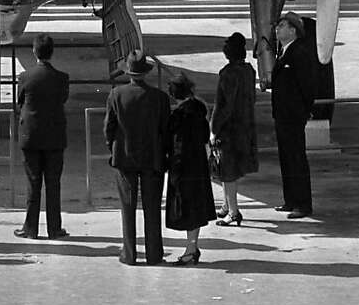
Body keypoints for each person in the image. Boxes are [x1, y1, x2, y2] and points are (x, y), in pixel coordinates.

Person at [105, 52, 169, 264]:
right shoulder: (160, 98)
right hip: (152, 157)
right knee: (152, 208)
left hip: (124, 155)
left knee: (127, 206)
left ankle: (129, 253)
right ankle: (154, 253)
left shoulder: (116, 94)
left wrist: (111, 147)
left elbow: (109, 128)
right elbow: (165, 130)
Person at [13, 33, 72, 240]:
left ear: (34, 51)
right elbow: (62, 99)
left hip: (31, 136)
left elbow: (19, 102)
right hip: (54, 136)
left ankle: (30, 228)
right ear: (52, 52)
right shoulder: (62, 78)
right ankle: (54, 228)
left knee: (33, 183)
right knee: (53, 184)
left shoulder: (25, 77)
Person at [270, 13, 322, 219]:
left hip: (293, 115)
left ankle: (303, 203)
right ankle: (290, 199)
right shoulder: (284, 52)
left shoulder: (299, 52)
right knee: (286, 157)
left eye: (282, 26)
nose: (277, 29)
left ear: (293, 30)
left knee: (296, 158)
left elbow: (308, 85)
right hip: (283, 115)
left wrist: (303, 110)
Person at [163, 70, 216, 266]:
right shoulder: (200, 110)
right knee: (196, 207)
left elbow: (170, 143)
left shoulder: (177, 116)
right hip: (199, 164)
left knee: (186, 208)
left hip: (182, 166)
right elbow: (204, 137)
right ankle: (192, 246)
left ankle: (191, 249)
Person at [209, 32, 258, 225]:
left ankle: (234, 211)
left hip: (229, 129)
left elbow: (223, 106)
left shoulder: (228, 73)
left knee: (227, 170)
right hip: (245, 125)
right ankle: (227, 204)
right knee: (230, 170)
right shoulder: (248, 70)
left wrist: (214, 129)